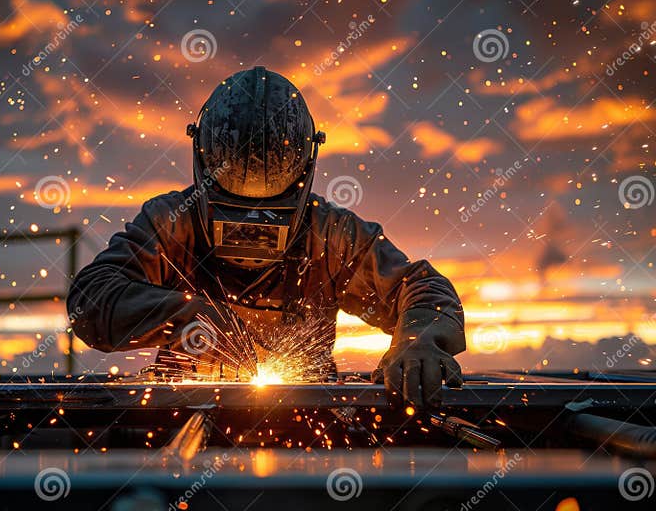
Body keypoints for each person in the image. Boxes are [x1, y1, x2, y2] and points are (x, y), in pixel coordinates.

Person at [67, 67, 465, 410]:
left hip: (305, 419)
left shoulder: (331, 235)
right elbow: (90, 301)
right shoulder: (172, 224)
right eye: (233, 212)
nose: (252, 232)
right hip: (182, 408)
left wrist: (420, 337)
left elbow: (421, 288)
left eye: (272, 215)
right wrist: (193, 316)